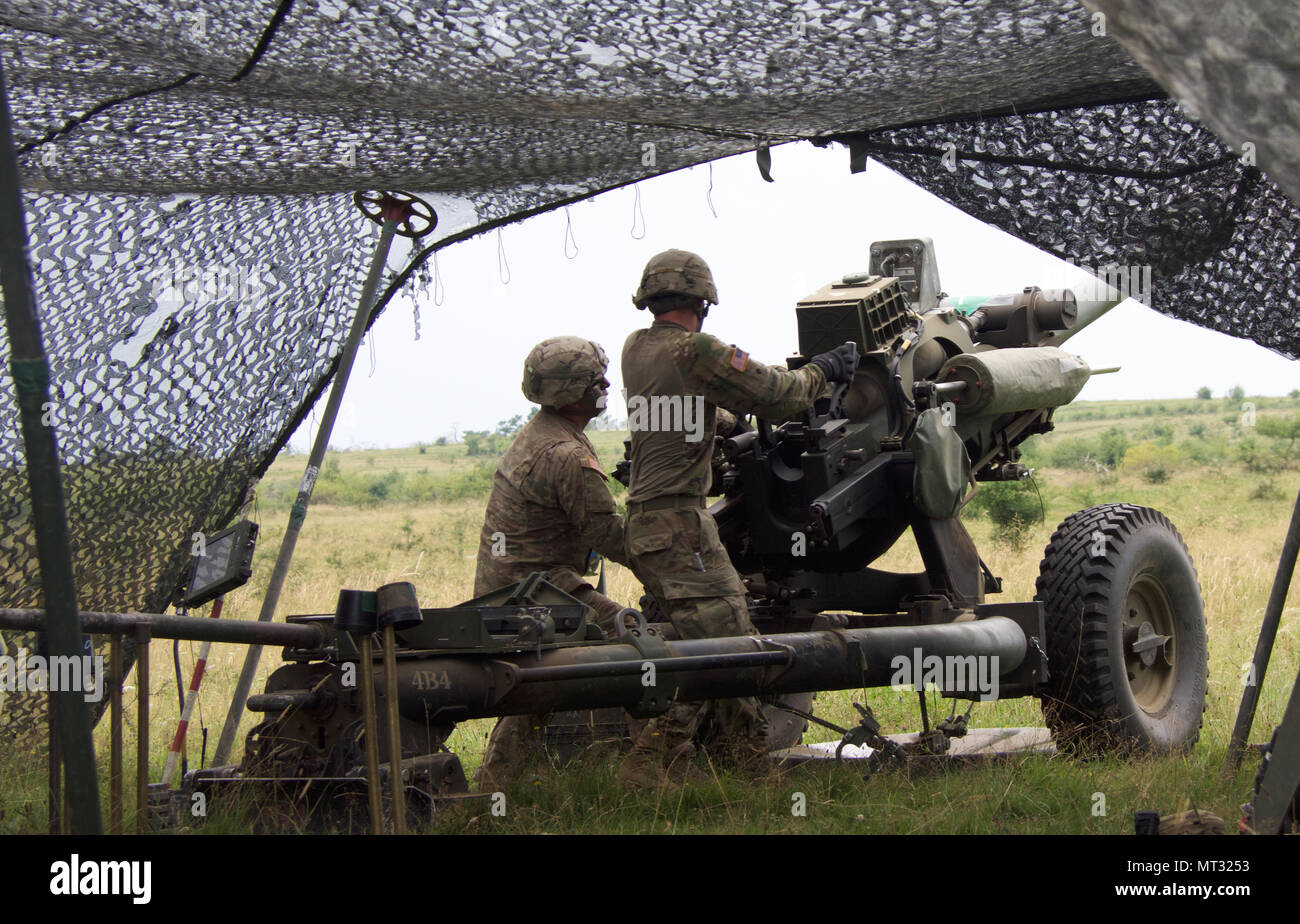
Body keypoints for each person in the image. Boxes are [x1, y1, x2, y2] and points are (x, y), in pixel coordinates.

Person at [615, 249, 858, 788]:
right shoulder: (696, 348)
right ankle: (650, 766)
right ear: (703, 302)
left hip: (646, 523)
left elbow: (678, 404)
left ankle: (747, 769)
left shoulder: (638, 348)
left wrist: (727, 417)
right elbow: (783, 394)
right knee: (731, 651)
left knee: (724, 638)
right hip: (679, 525)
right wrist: (827, 367)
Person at [472, 336, 630, 789]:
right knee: (640, 642)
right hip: (536, 593)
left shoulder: (541, 433)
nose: (604, 385)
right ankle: (656, 761)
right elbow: (612, 536)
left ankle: (493, 785)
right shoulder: (567, 454)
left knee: (536, 691)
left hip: (520, 587)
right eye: (594, 380)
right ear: (573, 392)